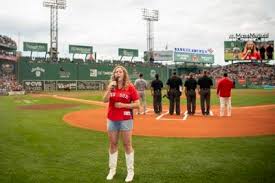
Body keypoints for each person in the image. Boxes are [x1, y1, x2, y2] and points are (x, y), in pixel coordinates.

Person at [103, 65, 140, 182]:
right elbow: (104, 100)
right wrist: (109, 88)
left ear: (124, 74)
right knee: (113, 144)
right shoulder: (111, 87)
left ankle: (130, 171)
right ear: (114, 75)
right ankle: (112, 170)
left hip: (126, 119)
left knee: (127, 145)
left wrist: (123, 105)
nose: (118, 73)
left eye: (120, 72)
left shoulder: (130, 88)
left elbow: (137, 104)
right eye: (116, 72)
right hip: (112, 119)